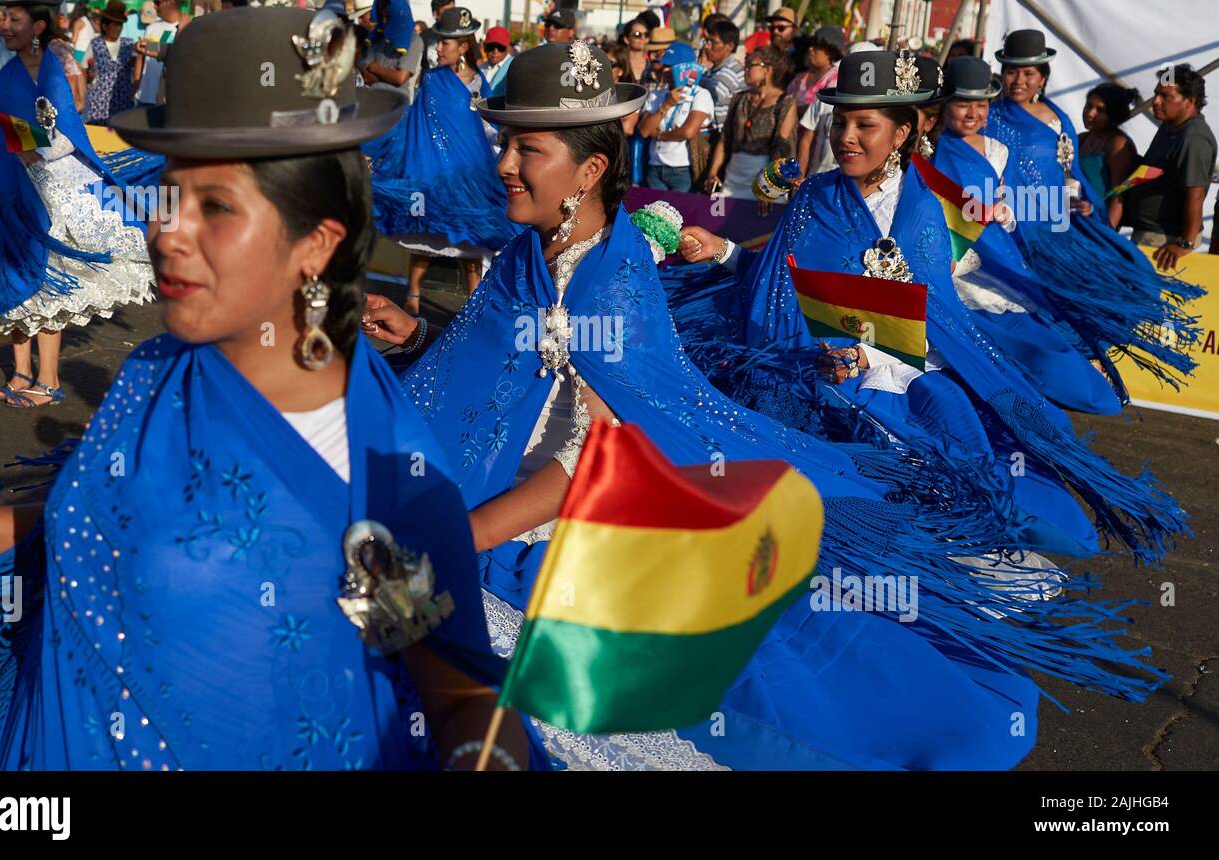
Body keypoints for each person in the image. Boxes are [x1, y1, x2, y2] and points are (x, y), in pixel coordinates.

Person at [360, 40, 1164, 770]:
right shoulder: (527, 259)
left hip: (568, 514)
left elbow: (591, 458)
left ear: (591, 169)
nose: (501, 161)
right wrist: (417, 341)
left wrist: (456, 544)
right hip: (544, 471)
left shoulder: (612, 275)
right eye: (504, 140)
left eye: (524, 147)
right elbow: (503, 383)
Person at [0, 5, 540, 772]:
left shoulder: (374, 469)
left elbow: (455, 697)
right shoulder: (151, 374)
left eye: (215, 206)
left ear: (317, 242)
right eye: (167, 193)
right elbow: (99, 530)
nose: (166, 231)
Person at [673, 49, 1187, 563]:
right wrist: (721, 251)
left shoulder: (919, 213)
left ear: (900, 135)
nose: (845, 137)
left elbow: (927, 326)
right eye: (840, 121)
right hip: (790, 366)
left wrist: (865, 358)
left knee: (936, 470)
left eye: (863, 124)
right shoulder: (810, 196)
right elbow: (773, 283)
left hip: (883, 379)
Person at [0, 0, 156, 409]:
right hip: (14, 186)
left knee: (45, 284)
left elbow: (65, 136)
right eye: (3, 16)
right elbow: (0, 123)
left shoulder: (49, 69)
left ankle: (47, 380)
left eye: (14, 17)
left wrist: (30, 150)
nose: (4, 25)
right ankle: (21, 371)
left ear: (39, 25)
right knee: (16, 275)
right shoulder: (12, 72)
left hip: (53, 194)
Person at [985, 29, 1204, 394]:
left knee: (1121, 281)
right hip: (1016, 230)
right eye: (1011, 70)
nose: (1018, 79)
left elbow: (1070, 172)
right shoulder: (992, 119)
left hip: (1061, 228)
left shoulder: (1057, 116)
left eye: (1028, 73)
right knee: (1031, 305)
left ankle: (1063, 371)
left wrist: (1080, 200)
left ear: (1043, 77)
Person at [933, 55, 1121, 415]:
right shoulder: (930, 149)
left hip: (996, 255)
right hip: (950, 255)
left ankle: (1047, 401)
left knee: (1028, 338)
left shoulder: (999, 149)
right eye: (962, 103)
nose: (973, 112)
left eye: (981, 103)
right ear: (944, 106)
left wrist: (1005, 212)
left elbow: (1011, 191)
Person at [361, 6, 518, 313]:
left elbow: (488, 122)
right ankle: (414, 297)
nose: (439, 47)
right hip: (434, 171)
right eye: (440, 41)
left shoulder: (479, 82)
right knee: (427, 232)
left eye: (446, 42)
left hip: (470, 174)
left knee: (472, 242)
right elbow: (418, 124)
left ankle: (472, 307)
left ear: (463, 46)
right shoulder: (432, 80)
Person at [1117, 64, 1215, 271]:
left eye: (1166, 96)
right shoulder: (1171, 125)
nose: (1156, 102)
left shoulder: (1193, 137)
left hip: (1164, 241)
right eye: (1156, 94)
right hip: (1149, 232)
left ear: (1190, 101)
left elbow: (1195, 195)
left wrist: (1185, 244)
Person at [703, 44, 794, 198]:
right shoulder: (739, 99)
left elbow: (781, 149)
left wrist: (769, 188)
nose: (745, 68)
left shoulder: (785, 103)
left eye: (750, 64)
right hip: (733, 175)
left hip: (765, 177)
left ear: (767, 69)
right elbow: (725, 139)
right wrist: (713, 173)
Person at [636, 42, 713, 192]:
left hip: (682, 170)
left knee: (682, 214)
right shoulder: (657, 95)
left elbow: (688, 132)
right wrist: (666, 105)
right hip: (655, 168)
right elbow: (644, 131)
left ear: (685, 68)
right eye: (664, 65)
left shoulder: (700, 94)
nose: (664, 70)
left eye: (670, 66)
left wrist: (658, 134)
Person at [799, 38, 878, 178]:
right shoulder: (825, 100)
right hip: (820, 180)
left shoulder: (881, 109)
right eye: (838, 122)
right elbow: (807, 138)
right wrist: (800, 176)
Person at [1078, 82, 1138, 204]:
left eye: (1100, 110)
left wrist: (1107, 223)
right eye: (1089, 106)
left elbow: (1118, 197)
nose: (1090, 113)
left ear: (1114, 115)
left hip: (1098, 218)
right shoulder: (1081, 139)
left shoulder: (1118, 144)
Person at [361, 0, 425, 104]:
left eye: (388, 16)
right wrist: (387, 75)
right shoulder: (377, 37)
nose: (384, 21)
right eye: (381, 16)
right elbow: (366, 75)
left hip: (396, 105)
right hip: (372, 101)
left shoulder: (414, 40)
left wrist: (376, 68)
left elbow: (400, 78)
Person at [82, 0, 138, 125]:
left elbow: (138, 64)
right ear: (105, 26)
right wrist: (89, 78)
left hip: (124, 99)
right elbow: (83, 68)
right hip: (99, 102)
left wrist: (135, 87)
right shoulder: (95, 44)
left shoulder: (128, 44)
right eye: (115, 24)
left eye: (120, 25)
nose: (118, 28)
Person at [135, 0, 192, 106]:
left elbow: (173, 52)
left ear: (170, 2)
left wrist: (150, 47)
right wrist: (136, 86)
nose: (154, 6)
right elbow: (141, 58)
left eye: (157, 2)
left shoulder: (188, 27)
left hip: (167, 99)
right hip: (144, 96)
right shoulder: (152, 27)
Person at [697, 16, 745, 147]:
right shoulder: (714, 70)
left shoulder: (730, 71)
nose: (708, 47)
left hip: (721, 141)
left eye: (714, 42)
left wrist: (700, 68)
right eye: (707, 41)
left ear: (729, 46)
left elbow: (706, 98)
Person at [421, 0, 455, 68]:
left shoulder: (463, 36)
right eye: (447, 12)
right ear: (435, 14)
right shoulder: (423, 37)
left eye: (454, 11)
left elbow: (477, 64)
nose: (452, 15)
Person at [614, 17, 651, 84]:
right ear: (626, 39)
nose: (643, 38)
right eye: (637, 34)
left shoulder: (652, 65)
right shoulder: (618, 63)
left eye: (646, 34)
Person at [479, 25, 514, 96]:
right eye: (491, 46)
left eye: (500, 47)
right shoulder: (479, 69)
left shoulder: (514, 67)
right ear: (485, 47)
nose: (495, 51)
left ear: (508, 48)